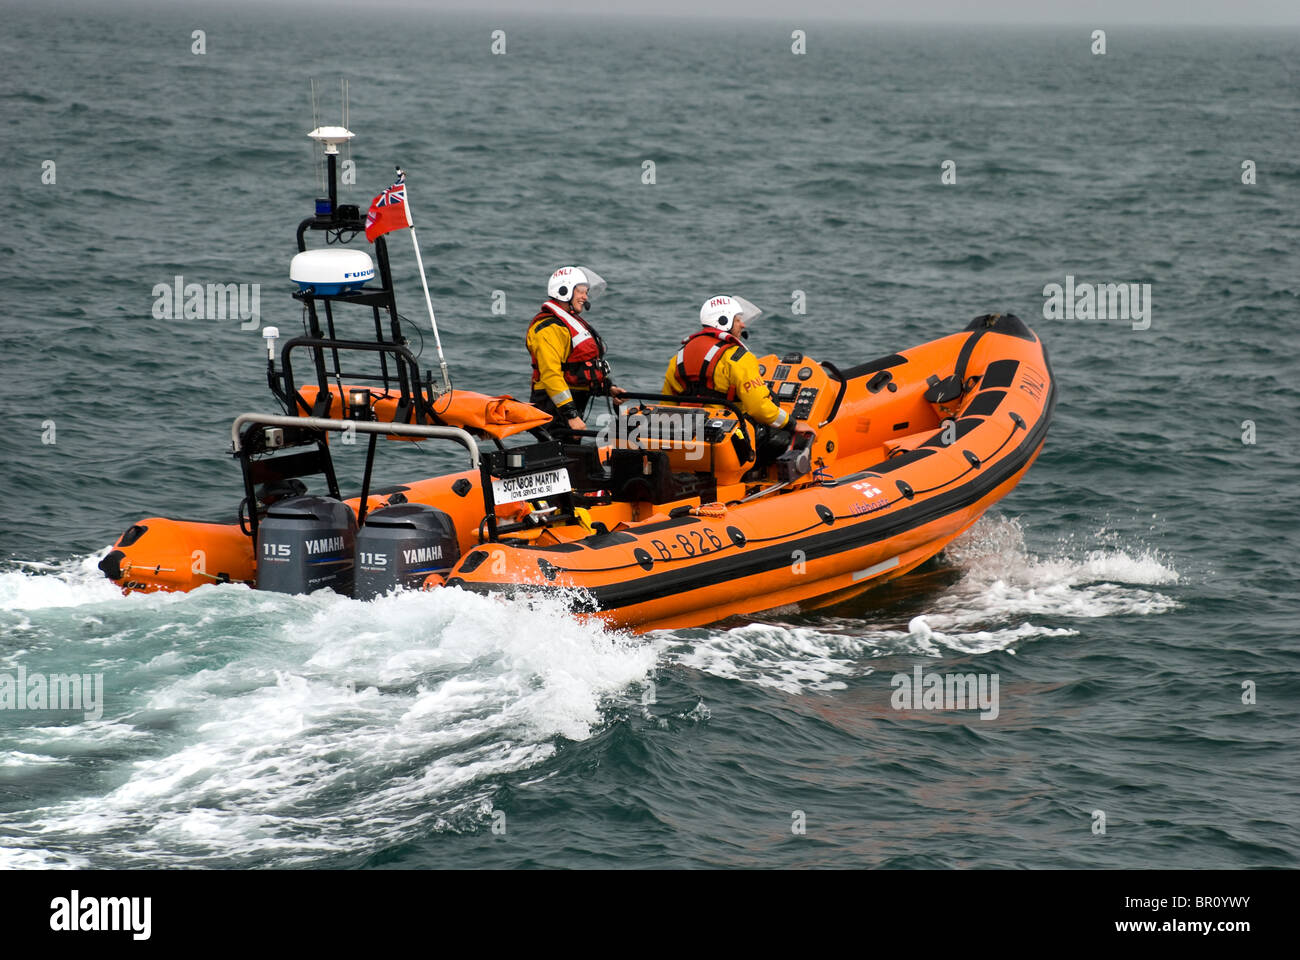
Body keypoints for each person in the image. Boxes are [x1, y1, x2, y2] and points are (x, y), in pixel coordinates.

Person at [662, 294, 796, 464]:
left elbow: (666, 406)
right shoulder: (739, 358)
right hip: (726, 440)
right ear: (723, 321)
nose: (743, 324)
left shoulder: (678, 357)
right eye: (738, 319)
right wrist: (792, 423)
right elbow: (760, 408)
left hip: (686, 436)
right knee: (783, 434)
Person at [526, 266, 624, 431]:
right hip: (553, 405)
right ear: (564, 291)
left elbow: (580, 367)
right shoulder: (549, 328)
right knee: (561, 448)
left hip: (571, 400)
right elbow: (551, 374)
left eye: (586, 292)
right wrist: (571, 415)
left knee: (572, 447)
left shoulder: (567, 324)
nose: (585, 297)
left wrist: (608, 388)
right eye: (581, 292)